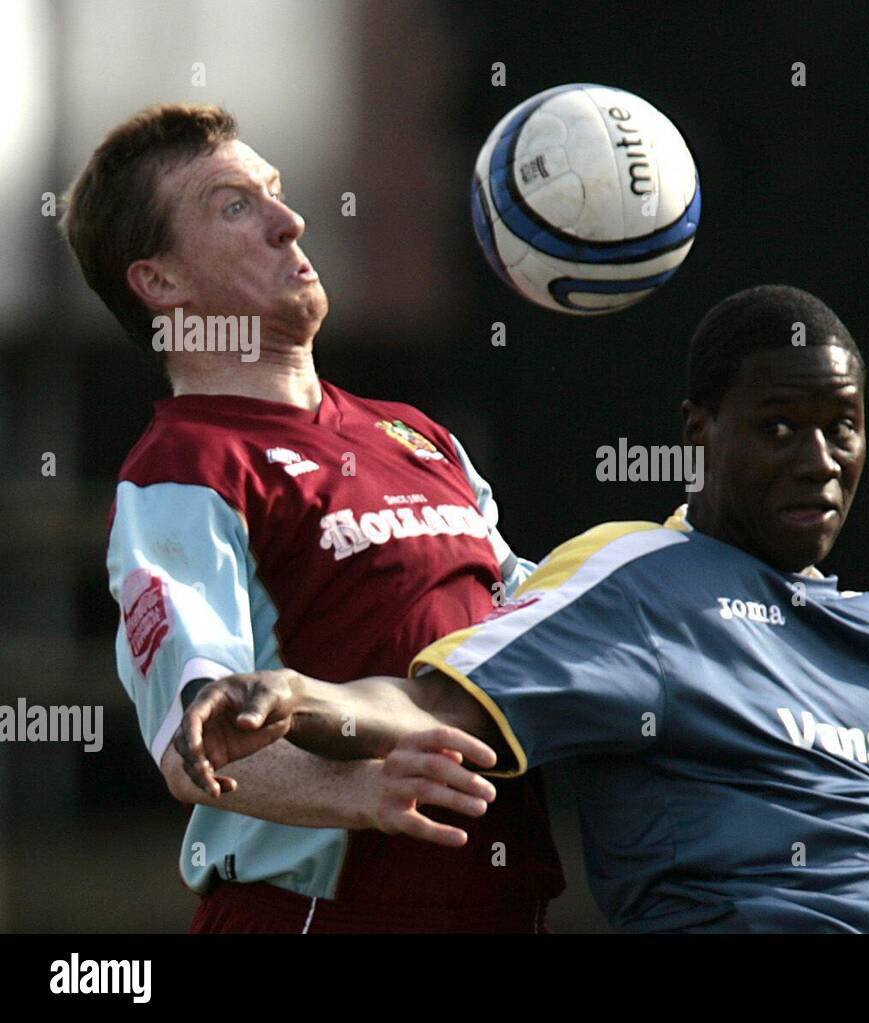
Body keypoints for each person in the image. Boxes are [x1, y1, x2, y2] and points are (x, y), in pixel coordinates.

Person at [178, 285, 869, 933]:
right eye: (779, 426)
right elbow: (432, 710)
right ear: (702, 430)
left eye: (843, 427)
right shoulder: (637, 584)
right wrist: (295, 696)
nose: (819, 460)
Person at [61, 103, 563, 932]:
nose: (289, 222)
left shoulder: (417, 433)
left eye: (276, 193)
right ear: (160, 282)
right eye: (235, 206)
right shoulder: (185, 468)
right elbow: (199, 743)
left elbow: (535, 627)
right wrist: (354, 789)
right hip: (314, 915)